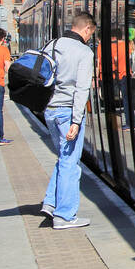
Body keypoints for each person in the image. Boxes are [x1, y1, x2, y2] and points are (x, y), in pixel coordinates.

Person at [41, 12, 96, 230]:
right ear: (87, 29)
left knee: (64, 158)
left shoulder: (52, 45)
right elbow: (82, 88)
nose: (91, 37)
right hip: (67, 113)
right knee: (70, 163)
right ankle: (64, 215)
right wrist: (76, 119)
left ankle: (51, 202)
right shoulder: (84, 51)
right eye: (91, 33)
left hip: (50, 111)